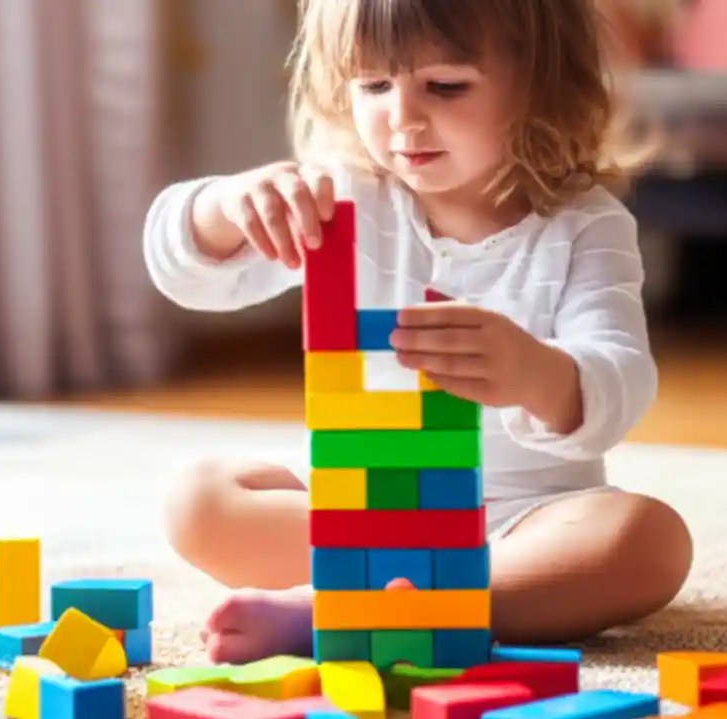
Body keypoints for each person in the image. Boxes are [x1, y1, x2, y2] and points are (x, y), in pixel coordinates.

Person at [141, 0, 693, 665]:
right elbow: (187, 274)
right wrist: (225, 208)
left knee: (649, 541)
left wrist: (536, 374)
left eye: (444, 85)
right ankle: (403, 602)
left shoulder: (586, 226)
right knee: (196, 501)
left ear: (541, 79)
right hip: (365, 518)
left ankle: (350, 612)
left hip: (523, 528)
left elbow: (622, 376)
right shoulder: (341, 203)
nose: (401, 118)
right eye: (373, 86)